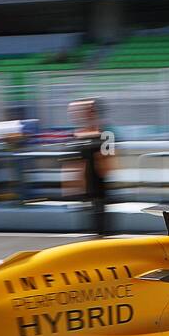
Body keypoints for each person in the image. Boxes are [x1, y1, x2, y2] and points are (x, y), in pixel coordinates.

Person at [64, 98, 114, 236]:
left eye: (90, 111)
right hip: (86, 187)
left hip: (99, 187)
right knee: (89, 226)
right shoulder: (79, 135)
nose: (86, 114)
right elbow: (76, 162)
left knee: (100, 226)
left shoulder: (106, 135)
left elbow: (108, 164)